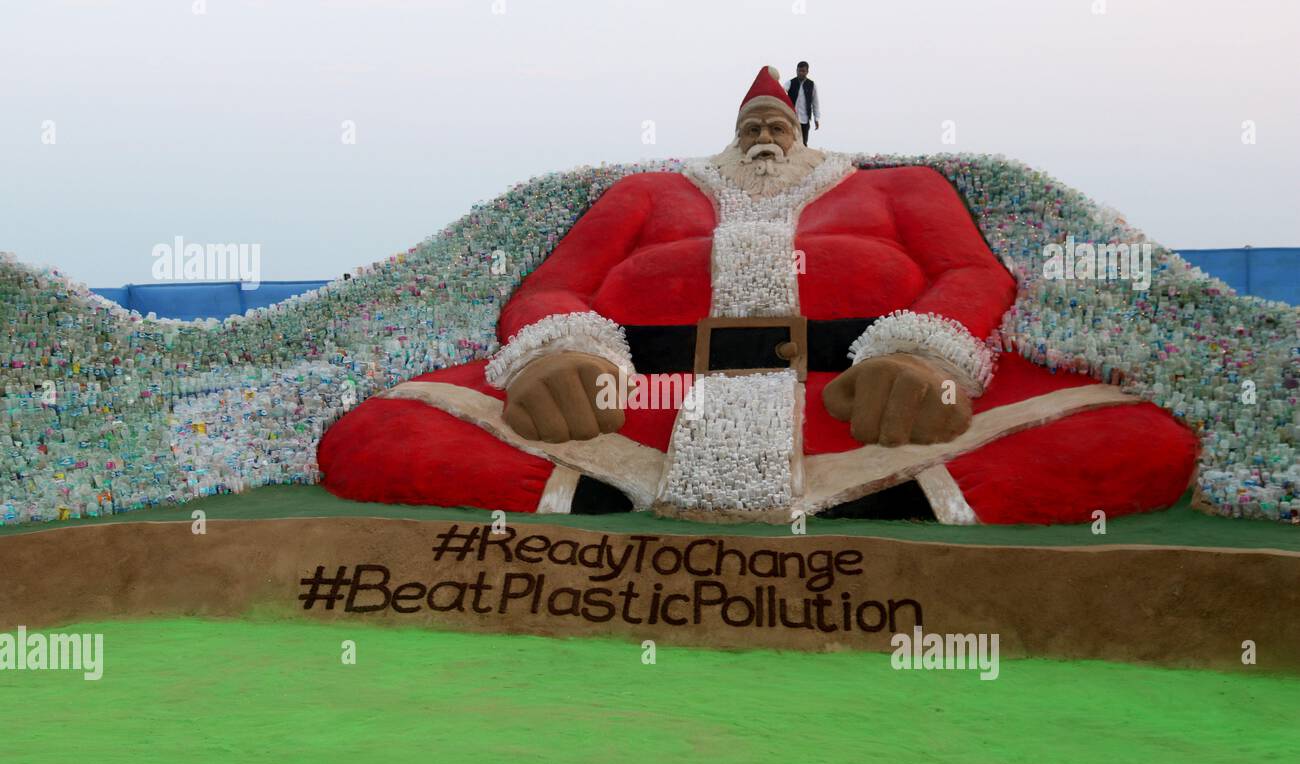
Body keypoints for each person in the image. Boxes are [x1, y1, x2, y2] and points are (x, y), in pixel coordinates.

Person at [317, 66, 1198, 525]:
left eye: (778, 124)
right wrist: (560, 352)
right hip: (639, 410)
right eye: (752, 126)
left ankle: (885, 499)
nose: (765, 135)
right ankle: (598, 492)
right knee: (376, 435)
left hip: (858, 407)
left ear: (804, 130)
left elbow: (974, 275)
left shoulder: (901, 186)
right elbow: (553, 283)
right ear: (731, 137)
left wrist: (927, 353)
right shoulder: (647, 193)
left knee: (1136, 441)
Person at [786, 61, 820, 145]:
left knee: (804, 143)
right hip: (791, 118)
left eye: (803, 71)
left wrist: (816, 118)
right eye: (799, 71)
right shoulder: (790, 83)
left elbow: (815, 102)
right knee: (790, 143)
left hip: (805, 119)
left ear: (807, 71)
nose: (801, 73)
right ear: (796, 70)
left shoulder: (812, 85)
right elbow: (781, 91)